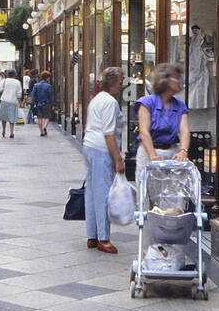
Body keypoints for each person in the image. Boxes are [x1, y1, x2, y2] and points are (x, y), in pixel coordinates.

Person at [82, 66, 126, 253]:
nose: (122, 85)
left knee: (92, 192)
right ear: (114, 83)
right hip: (101, 149)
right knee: (102, 193)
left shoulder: (97, 99)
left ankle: (92, 234)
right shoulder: (110, 102)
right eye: (121, 81)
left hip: (90, 145)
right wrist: (118, 159)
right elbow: (109, 133)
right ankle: (103, 238)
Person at [135, 62, 191, 196]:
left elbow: (184, 131)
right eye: (176, 77)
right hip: (149, 150)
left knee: (173, 193)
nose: (180, 81)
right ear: (164, 80)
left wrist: (183, 151)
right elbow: (144, 132)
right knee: (147, 192)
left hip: (172, 151)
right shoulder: (147, 103)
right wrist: (152, 155)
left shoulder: (180, 106)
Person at [0, 68, 23, 139]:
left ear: (7, 74)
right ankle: (11, 132)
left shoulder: (4, 81)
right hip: (13, 101)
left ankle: (3, 131)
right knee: (12, 117)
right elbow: (19, 94)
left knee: (4, 117)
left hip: (4, 100)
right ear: (15, 74)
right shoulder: (17, 82)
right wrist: (20, 102)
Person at [31, 70, 54, 136]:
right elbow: (51, 96)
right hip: (46, 103)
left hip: (38, 103)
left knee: (39, 117)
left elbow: (33, 94)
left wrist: (35, 101)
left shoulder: (36, 85)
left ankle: (41, 131)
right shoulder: (48, 86)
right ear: (47, 78)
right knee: (47, 117)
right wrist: (52, 104)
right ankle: (44, 127)